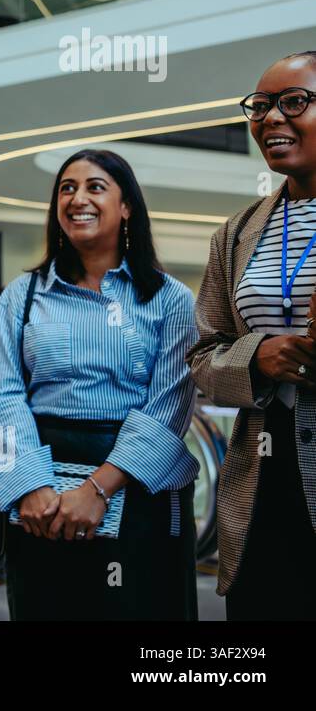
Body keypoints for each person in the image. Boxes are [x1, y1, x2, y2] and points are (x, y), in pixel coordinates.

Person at [0, 148, 199, 620]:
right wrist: (32, 487)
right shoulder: (23, 294)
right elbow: (3, 398)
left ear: (126, 208)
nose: (78, 198)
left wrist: (97, 491)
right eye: (67, 188)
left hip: (139, 493)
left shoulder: (170, 300)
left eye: (95, 187)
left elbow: (169, 410)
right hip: (41, 501)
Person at [188, 50, 316, 620]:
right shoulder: (238, 232)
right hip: (263, 470)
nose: (270, 119)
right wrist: (255, 359)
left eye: (294, 102)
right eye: (260, 106)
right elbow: (201, 354)